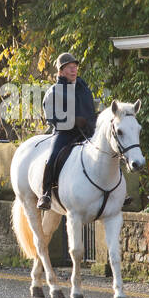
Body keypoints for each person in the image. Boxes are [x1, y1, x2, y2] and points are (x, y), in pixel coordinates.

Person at [38, 52, 97, 210]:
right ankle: (45, 194)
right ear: (61, 71)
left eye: (75, 67)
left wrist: (90, 124)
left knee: (107, 150)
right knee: (52, 157)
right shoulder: (54, 91)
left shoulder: (83, 87)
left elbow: (90, 110)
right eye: (70, 68)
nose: (74, 70)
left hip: (86, 131)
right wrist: (72, 121)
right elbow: (51, 116)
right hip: (65, 133)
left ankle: (115, 191)